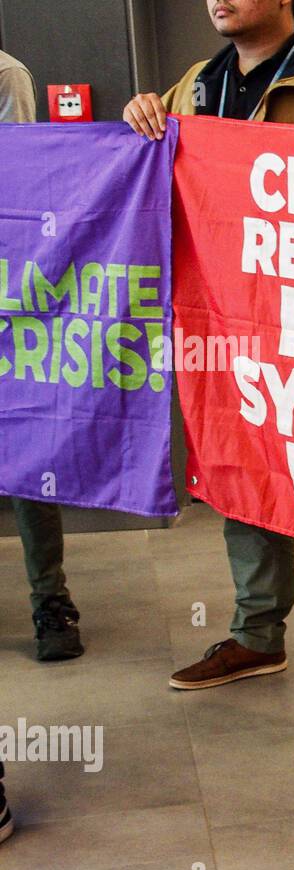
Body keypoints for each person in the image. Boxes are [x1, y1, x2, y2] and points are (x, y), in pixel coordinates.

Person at [125, 0, 294, 718]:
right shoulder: (196, 85)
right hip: (233, 320)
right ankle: (257, 633)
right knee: (242, 471)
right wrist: (138, 118)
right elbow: (156, 169)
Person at [0, 49, 83, 666]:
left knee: (27, 457)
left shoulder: (4, 74)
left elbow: (20, 179)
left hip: (8, 286)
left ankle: (50, 602)